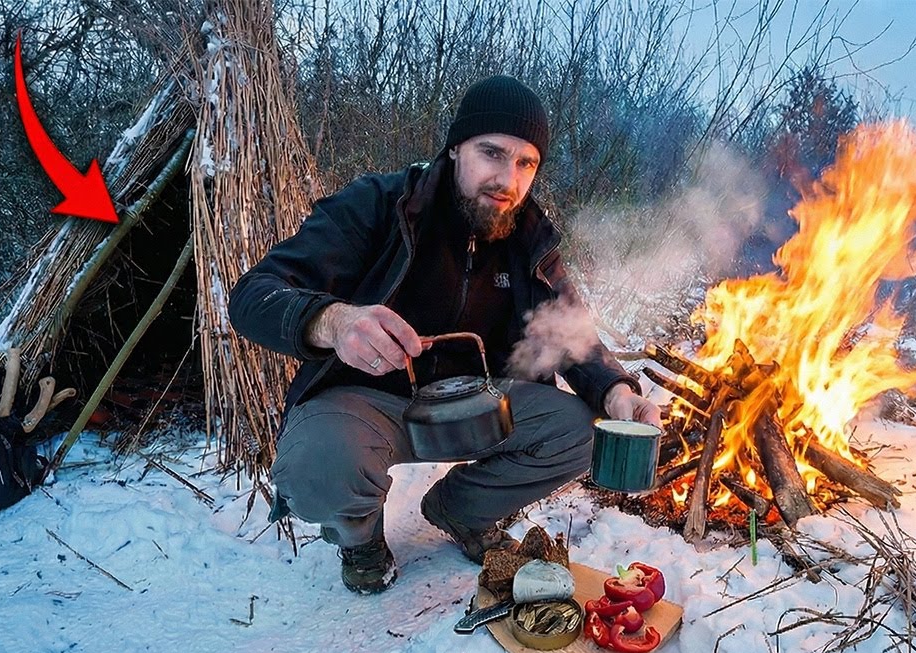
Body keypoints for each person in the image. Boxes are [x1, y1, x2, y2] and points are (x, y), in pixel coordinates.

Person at [228, 75, 661, 594]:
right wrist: (334, 321)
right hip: (368, 403)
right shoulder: (381, 204)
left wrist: (617, 390)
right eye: (492, 153)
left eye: (527, 163)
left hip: (478, 405)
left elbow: (572, 334)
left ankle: (461, 510)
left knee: (582, 429)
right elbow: (252, 295)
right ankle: (360, 537)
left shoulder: (529, 237)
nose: (508, 178)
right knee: (316, 469)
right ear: (456, 147)